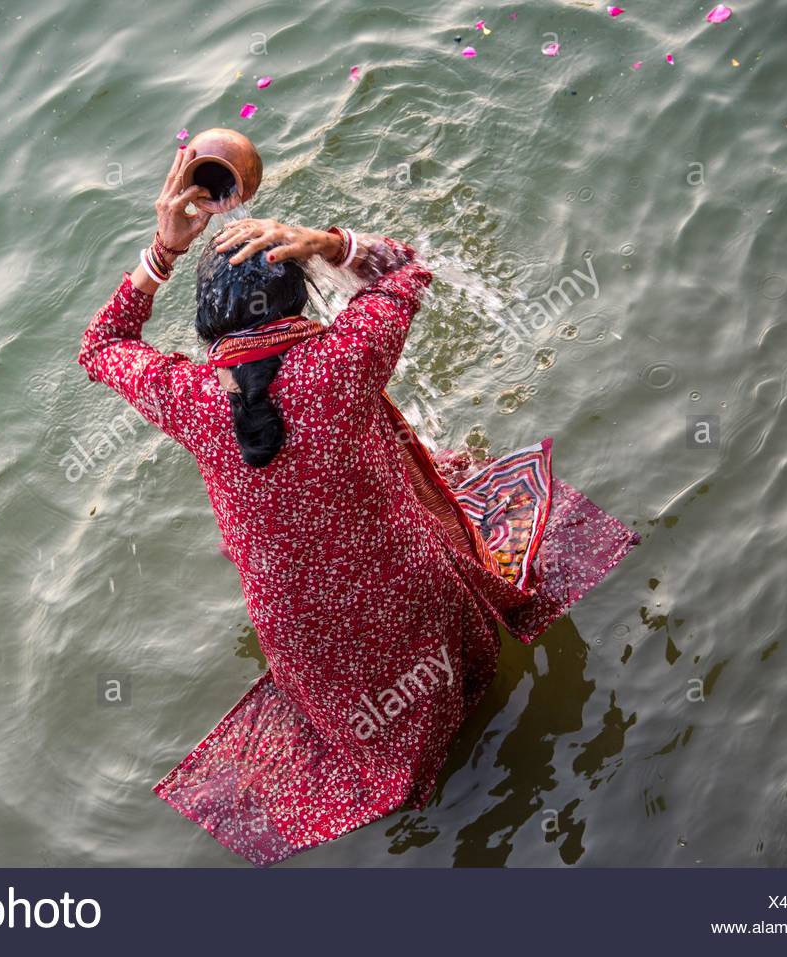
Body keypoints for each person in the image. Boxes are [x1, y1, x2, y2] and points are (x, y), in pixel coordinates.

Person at [78, 147, 638, 865]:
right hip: (410, 590)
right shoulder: (342, 361)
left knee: (364, 707)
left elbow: (100, 345)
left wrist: (164, 249)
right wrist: (325, 242)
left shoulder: (191, 400)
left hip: (304, 632)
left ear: (210, 323)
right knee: (445, 638)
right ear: (297, 299)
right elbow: (409, 266)